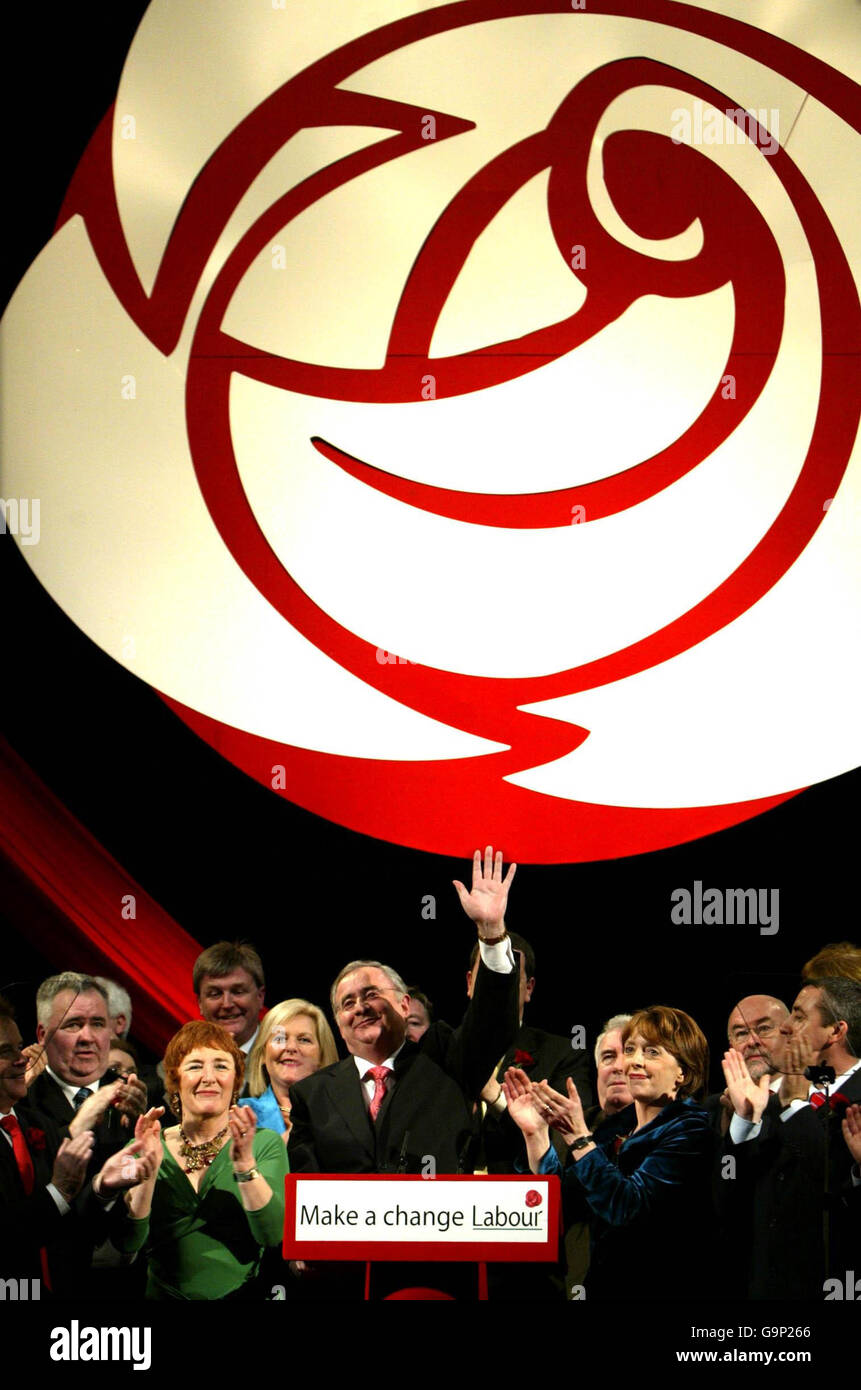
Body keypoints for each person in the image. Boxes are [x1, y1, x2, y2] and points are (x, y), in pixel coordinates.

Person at [288, 846, 518, 1176]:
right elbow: (305, 1197)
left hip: (438, 1222)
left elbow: (492, 1023)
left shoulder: (445, 1059)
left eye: (370, 994)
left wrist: (492, 933)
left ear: (404, 1004)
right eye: (347, 1004)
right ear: (338, 1024)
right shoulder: (313, 1095)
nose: (361, 1007)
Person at [505, 1005, 715, 1299]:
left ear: (683, 1071)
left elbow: (628, 1208)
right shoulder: (613, 1133)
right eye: (631, 1050)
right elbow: (567, 1203)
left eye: (653, 1052)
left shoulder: (690, 1128)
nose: (634, 1062)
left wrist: (578, 1137)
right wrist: (536, 1134)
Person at [113, 1021, 288, 1300]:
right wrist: (146, 1176)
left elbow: (273, 1235)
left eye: (221, 1066)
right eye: (195, 1066)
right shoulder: (145, 1144)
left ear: (235, 1080)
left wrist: (244, 1166)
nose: (209, 1077)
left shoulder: (265, 1144)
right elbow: (127, 1243)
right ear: (175, 1078)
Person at [0, 995, 158, 1291]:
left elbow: (70, 1227)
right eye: (5, 1051)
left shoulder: (34, 1125)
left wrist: (102, 1188)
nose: (21, 1058)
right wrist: (58, 1191)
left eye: (18, 1046)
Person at [721, 976, 861, 1298]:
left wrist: (797, 1106)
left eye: (798, 1016)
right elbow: (732, 1202)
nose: (786, 1027)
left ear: (836, 1032)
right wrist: (743, 1120)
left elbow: (821, 1184)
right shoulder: (772, 1101)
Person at [466, 931, 593, 1174]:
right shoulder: (441, 1052)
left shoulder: (563, 1055)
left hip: (520, 1203)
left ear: (529, 988)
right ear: (470, 983)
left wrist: (496, 1097)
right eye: (488, 976)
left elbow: (568, 1142)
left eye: (508, 978)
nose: (496, 988)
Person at [243, 999, 338, 1140]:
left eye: (304, 1040)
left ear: (322, 1056)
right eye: (280, 1039)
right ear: (263, 1054)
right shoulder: (243, 1115)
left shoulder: (343, 1114)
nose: (291, 1047)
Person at [194, 941, 266, 1056]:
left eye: (238, 992)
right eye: (215, 994)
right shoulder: (180, 1063)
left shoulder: (289, 1059)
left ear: (260, 997)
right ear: (200, 1003)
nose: (227, 1004)